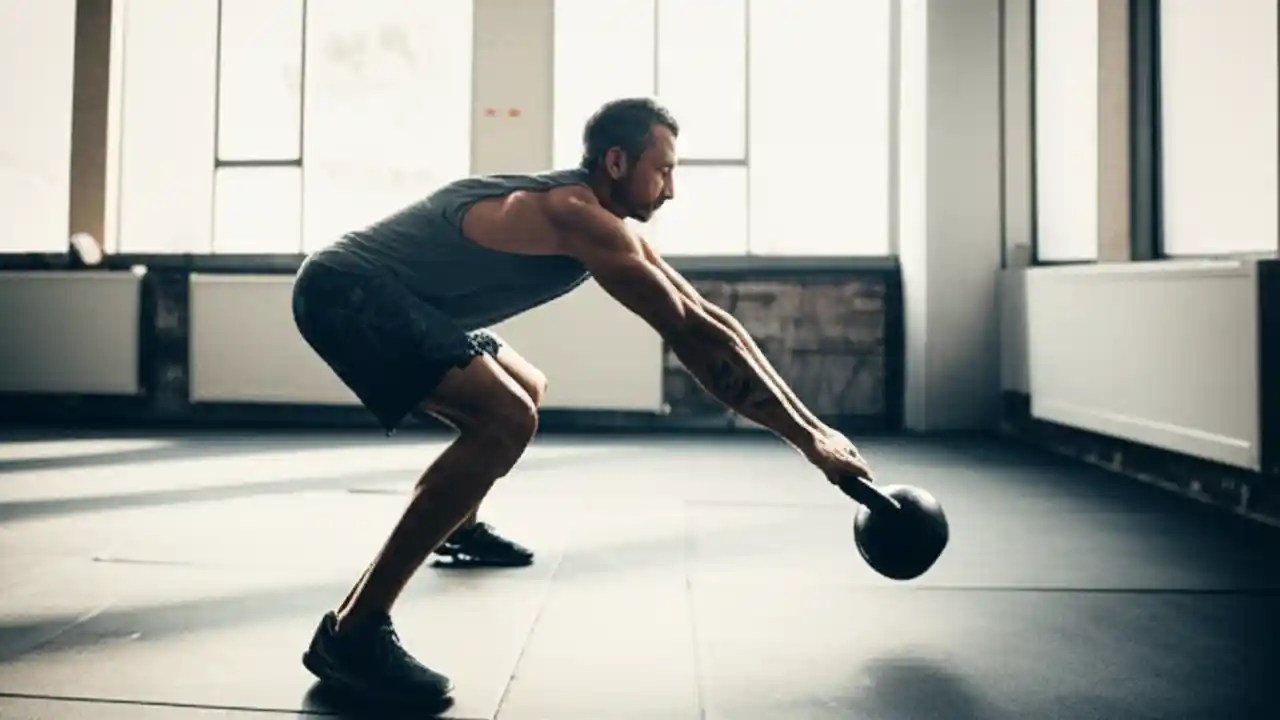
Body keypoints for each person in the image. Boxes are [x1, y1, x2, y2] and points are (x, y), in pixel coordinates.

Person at [291, 97, 876, 708]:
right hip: (347, 290)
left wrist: (817, 430)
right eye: (664, 169)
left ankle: (457, 524)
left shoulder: (599, 217)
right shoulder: (576, 214)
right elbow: (689, 339)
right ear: (618, 161)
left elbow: (705, 319)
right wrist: (809, 443)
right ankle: (354, 631)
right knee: (505, 419)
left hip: (403, 299)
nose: (671, 190)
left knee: (526, 386)